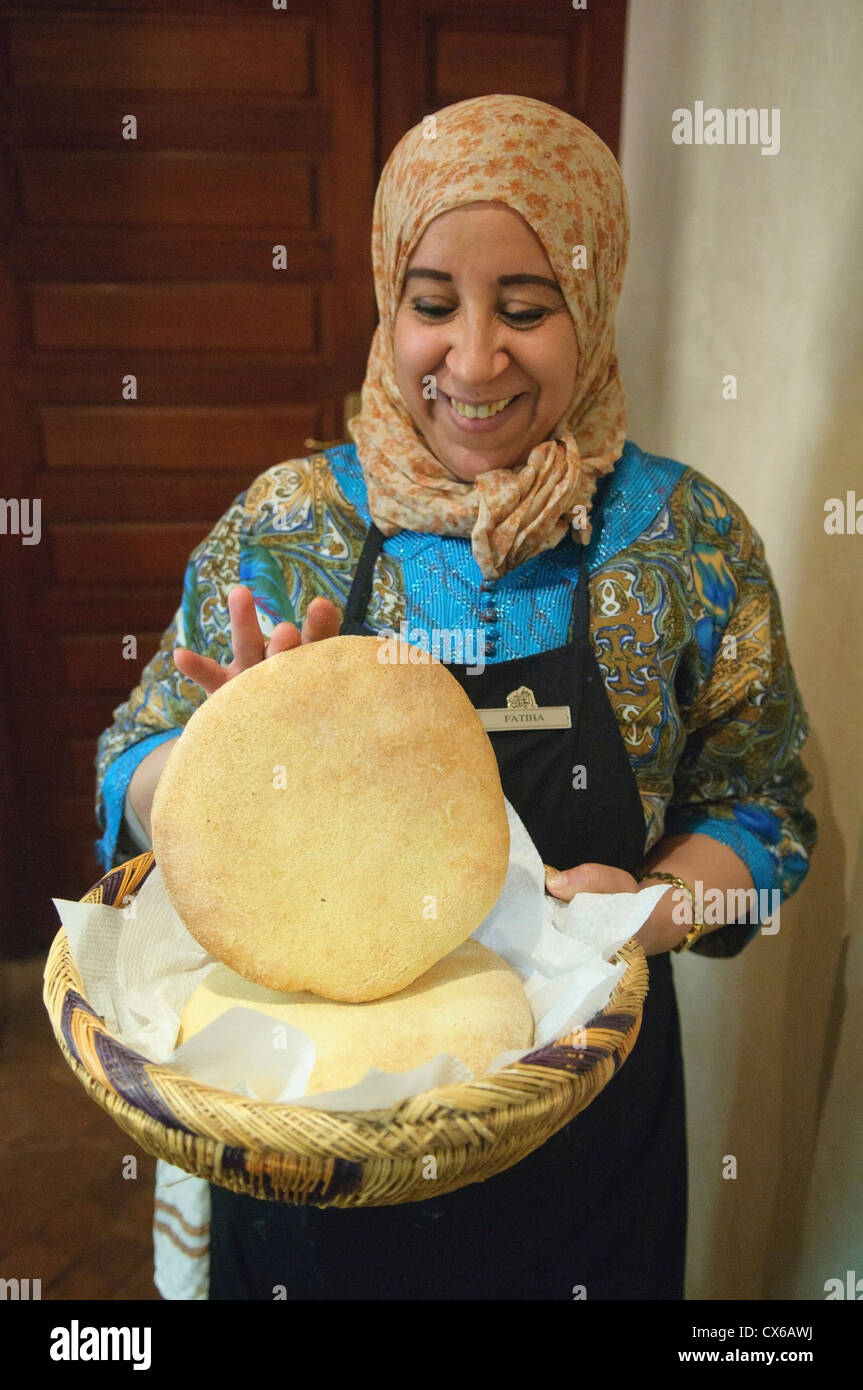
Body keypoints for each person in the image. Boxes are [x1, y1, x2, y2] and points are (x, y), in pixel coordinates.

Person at [95, 94, 816, 1300]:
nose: (472, 360)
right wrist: (218, 768)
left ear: (593, 303)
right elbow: (132, 751)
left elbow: (764, 806)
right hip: (314, 1131)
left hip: (584, 1132)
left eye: (525, 310)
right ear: (388, 303)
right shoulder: (291, 529)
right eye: (431, 305)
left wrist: (655, 906)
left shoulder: (688, 540)